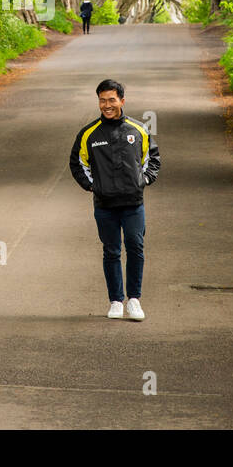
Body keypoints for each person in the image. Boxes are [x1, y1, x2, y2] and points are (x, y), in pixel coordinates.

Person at [69, 79, 160, 321]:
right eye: (102, 100)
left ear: (121, 100)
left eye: (111, 100)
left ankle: (134, 300)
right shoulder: (89, 133)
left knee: (135, 248)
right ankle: (116, 301)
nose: (107, 105)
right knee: (111, 251)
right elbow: (77, 163)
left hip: (133, 204)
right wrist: (93, 186)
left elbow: (153, 159)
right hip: (105, 206)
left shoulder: (138, 129)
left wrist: (144, 181)